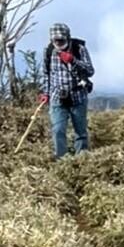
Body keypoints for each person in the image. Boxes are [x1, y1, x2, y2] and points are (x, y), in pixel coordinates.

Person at [39, 22, 95, 158]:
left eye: (61, 40)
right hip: (57, 97)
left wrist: (73, 60)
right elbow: (45, 74)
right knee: (58, 130)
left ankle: (81, 160)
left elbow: (90, 71)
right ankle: (61, 161)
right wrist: (45, 92)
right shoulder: (48, 51)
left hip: (78, 96)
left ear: (67, 38)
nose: (58, 43)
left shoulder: (79, 49)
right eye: (55, 40)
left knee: (80, 132)